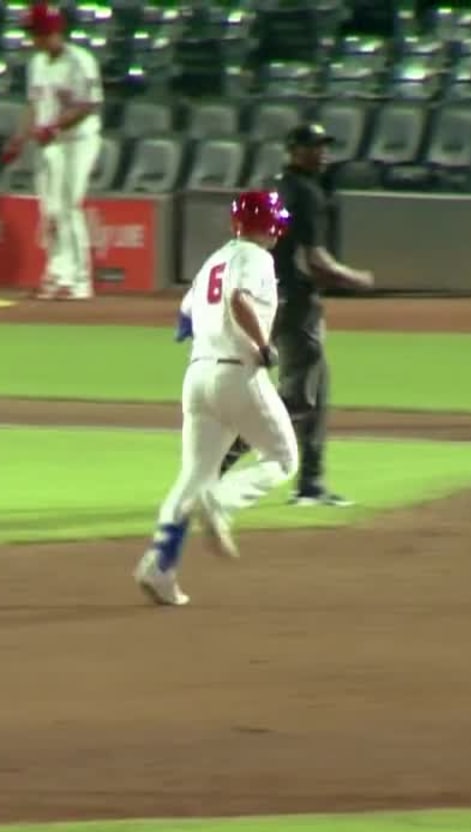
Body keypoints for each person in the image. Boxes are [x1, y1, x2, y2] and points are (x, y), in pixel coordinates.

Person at [134, 190, 300, 607]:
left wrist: (207, 331)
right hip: (238, 374)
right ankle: (222, 501)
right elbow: (238, 299)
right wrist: (262, 345)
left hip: (197, 377)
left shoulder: (213, 260)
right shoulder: (256, 257)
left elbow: (186, 316)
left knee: (191, 476)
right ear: (270, 224)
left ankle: (160, 567)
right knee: (283, 459)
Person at [219, 124, 375, 506]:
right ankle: (219, 460)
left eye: (324, 145)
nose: (321, 152)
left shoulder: (270, 186)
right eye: (312, 146)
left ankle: (311, 484)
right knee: (298, 398)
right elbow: (316, 261)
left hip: (261, 295)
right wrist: (357, 279)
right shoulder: (306, 193)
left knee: (316, 392)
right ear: (293, 150)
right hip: (293, 302)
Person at [2, 2, 103, 301]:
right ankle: (58, 272)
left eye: (37, 32)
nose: (33, 38)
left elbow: (88, 104)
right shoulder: (37, 63)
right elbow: (34, 105)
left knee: (71, 205)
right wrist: (18, 140)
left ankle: (80, 280)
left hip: (79, 141)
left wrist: (55, 126)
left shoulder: (79, 60)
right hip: (50, 143)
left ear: (53, 30)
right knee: (51, 210)